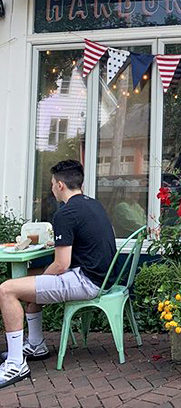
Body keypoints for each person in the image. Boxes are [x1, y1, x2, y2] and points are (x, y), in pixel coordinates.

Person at [0, 160, 116, 388]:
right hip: (103, 276)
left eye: (52, 183)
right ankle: (35, 345)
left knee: (7, 290)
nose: (52, 187)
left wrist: (40, 279)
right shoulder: (92, 204)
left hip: (87, 280)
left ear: (60, 185)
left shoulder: (66, 213)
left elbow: (61, 265)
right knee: (27, 279)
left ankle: (15, 364)